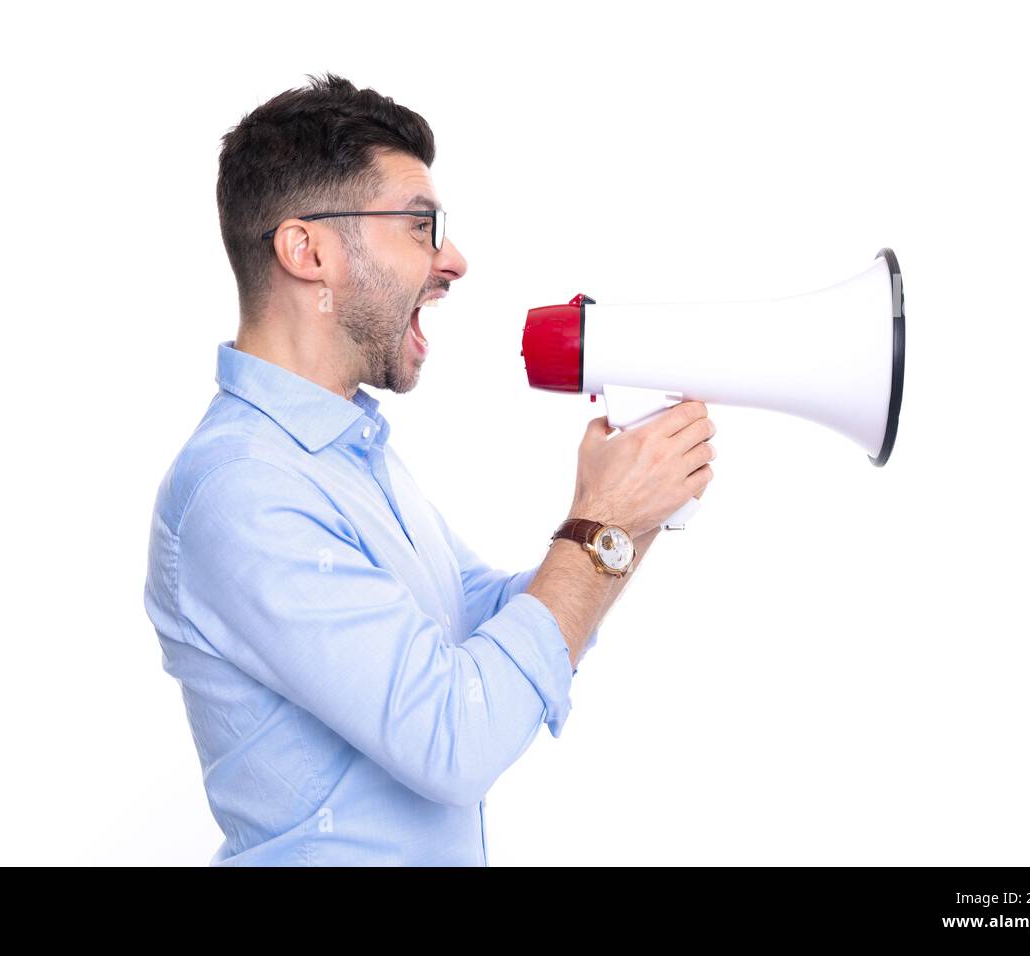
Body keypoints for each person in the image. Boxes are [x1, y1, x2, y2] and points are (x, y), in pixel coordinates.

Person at [143, 72, 716, 866]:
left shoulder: (344, 457)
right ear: (307, 249)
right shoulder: (243, 490)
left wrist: (634, 509)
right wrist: (601, 525)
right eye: (420, 225)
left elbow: (483, 621)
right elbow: (455, 735)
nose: (454, 259)